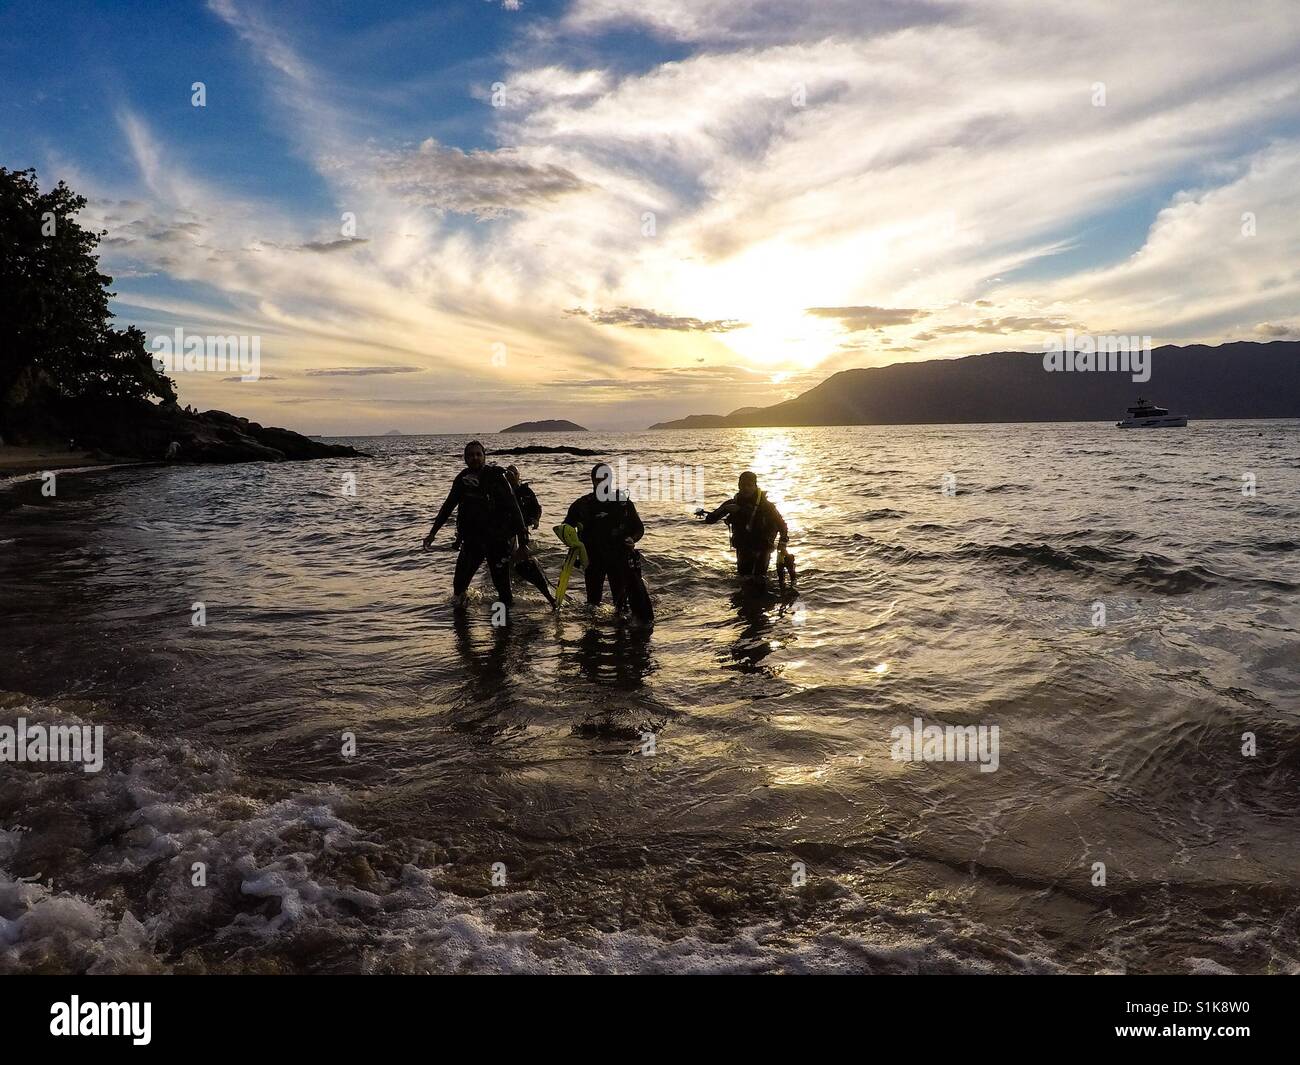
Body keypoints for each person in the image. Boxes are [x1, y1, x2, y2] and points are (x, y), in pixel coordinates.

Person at [423, 441, 529, 612]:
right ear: (465, 458)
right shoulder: (461, 480)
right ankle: (462, 629)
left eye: (479, 454)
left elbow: (514, 508)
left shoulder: (496, 477)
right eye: (471, 455)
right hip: (472, 540)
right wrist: (432, 533)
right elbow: (448, 507)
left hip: (498, 541)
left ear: (484, 457)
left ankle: (503, 629)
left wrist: (523, 542)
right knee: (458, 588)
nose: (475, 458)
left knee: (503, 590)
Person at [563, 463, 646, 612]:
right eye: (598, 479)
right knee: (593, 604)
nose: (602, 482)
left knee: (621, 604)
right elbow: (565, 528)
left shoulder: (623, 503)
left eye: (606, 478)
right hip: (592, 558)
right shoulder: (582, 504)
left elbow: (639, 528)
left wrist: (632, 539)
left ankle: (620, 627)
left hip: (619, 556)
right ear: (592, 480)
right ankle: (592, 630)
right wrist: (574, 544)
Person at [697, 471, 789, 580]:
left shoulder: (767, 506)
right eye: (743, 485)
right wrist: (725, 509)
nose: (746, 488)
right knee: (743, 578)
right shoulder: (732, 503)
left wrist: (782, 544)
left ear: (755, 486)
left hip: (762, 547)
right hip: (743, 547)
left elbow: (782, 525)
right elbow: (710, 520)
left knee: (759, 579)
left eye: (749, 485)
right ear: (738, 486)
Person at [505, 464, 556, 608]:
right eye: (508, 474)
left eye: (514, 474)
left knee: (524, 562)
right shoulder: (500, 491)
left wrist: (536, 519)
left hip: (521, 528)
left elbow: (536, 507)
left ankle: (549, 596)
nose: (511, 477)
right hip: (507, 531)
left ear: (518, 476)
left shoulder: (525, 491)